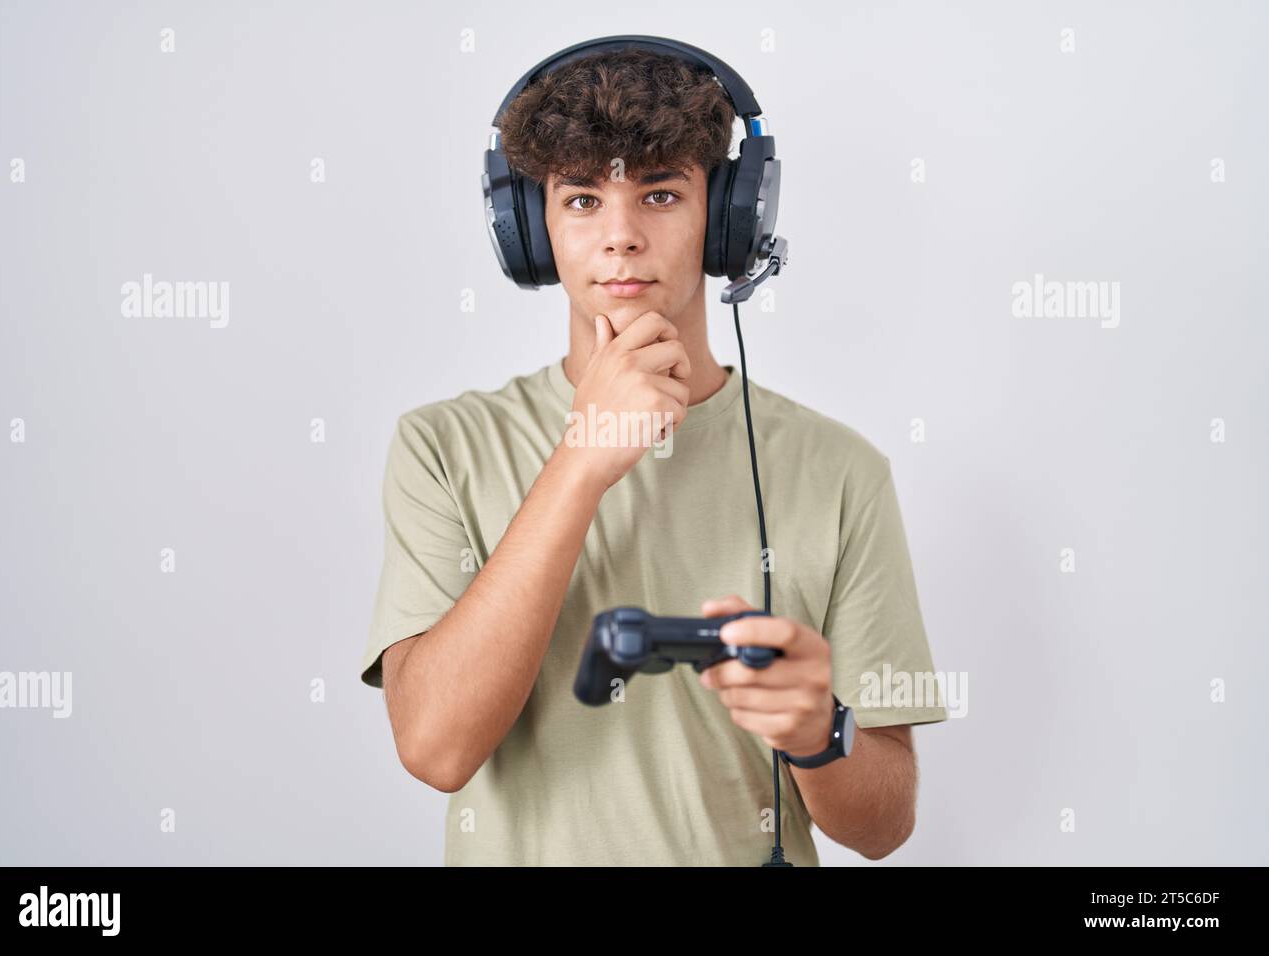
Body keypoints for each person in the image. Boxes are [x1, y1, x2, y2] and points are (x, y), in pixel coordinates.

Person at [360, 45, 947, 866]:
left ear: (729, 219)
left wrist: (819, 732)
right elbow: (435, 749)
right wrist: (583, 457)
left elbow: (885, 825)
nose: (622, 238)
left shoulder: (844, 471)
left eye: (661, 193)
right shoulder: (443, 448)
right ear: (533, 230)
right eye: (583, 198)